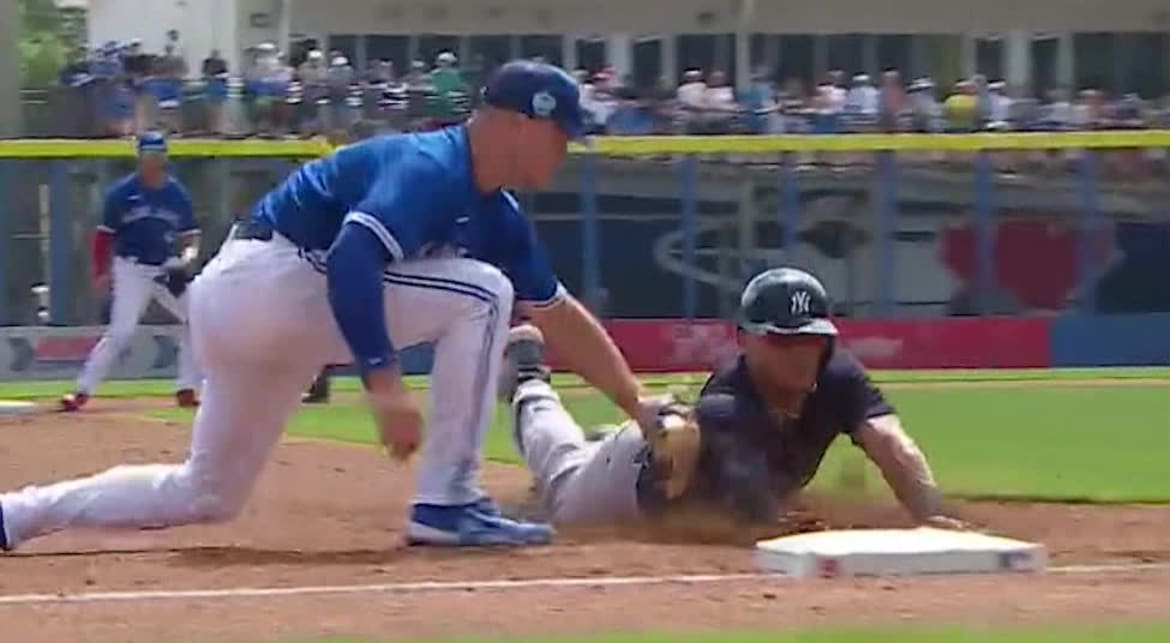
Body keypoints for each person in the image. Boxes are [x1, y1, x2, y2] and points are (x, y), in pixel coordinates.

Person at [0, 61, 676, 552]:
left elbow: (558, 314)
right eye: (560, 133)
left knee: (205, 494)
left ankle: (19, 512)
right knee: (483, 291)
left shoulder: (496, 212)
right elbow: (354, 255)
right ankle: (449, 499)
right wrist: (383, 382)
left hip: (251, 307)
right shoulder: (432, 166)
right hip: (269, 282)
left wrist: (637, 405)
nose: (566, 149)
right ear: (518, 124)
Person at [506, 266, 969, 531]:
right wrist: (779, 526)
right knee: (560, 472)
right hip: (621, 479)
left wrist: (931, 514)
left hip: (664, 446)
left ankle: (591, 431)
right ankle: (528, 379)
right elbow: (752, 512)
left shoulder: (838, 376)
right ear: (746, 340)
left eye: (811, 340)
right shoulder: (727, 406)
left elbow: (890, 442)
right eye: (783, 341)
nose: (801, 354)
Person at [61, 131, 204, 411]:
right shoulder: (122, 193)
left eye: (158, 155)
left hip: (165, 268)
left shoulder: (176, 194)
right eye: (149, 155)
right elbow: (104, 236)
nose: (154, 160)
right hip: (131, 268)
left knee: (197, 320)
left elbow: (191, 237)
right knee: (121, 332)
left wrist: (184, 260)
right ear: (139, 158)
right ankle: (82, 390)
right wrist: (100, 271)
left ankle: (187, 387)